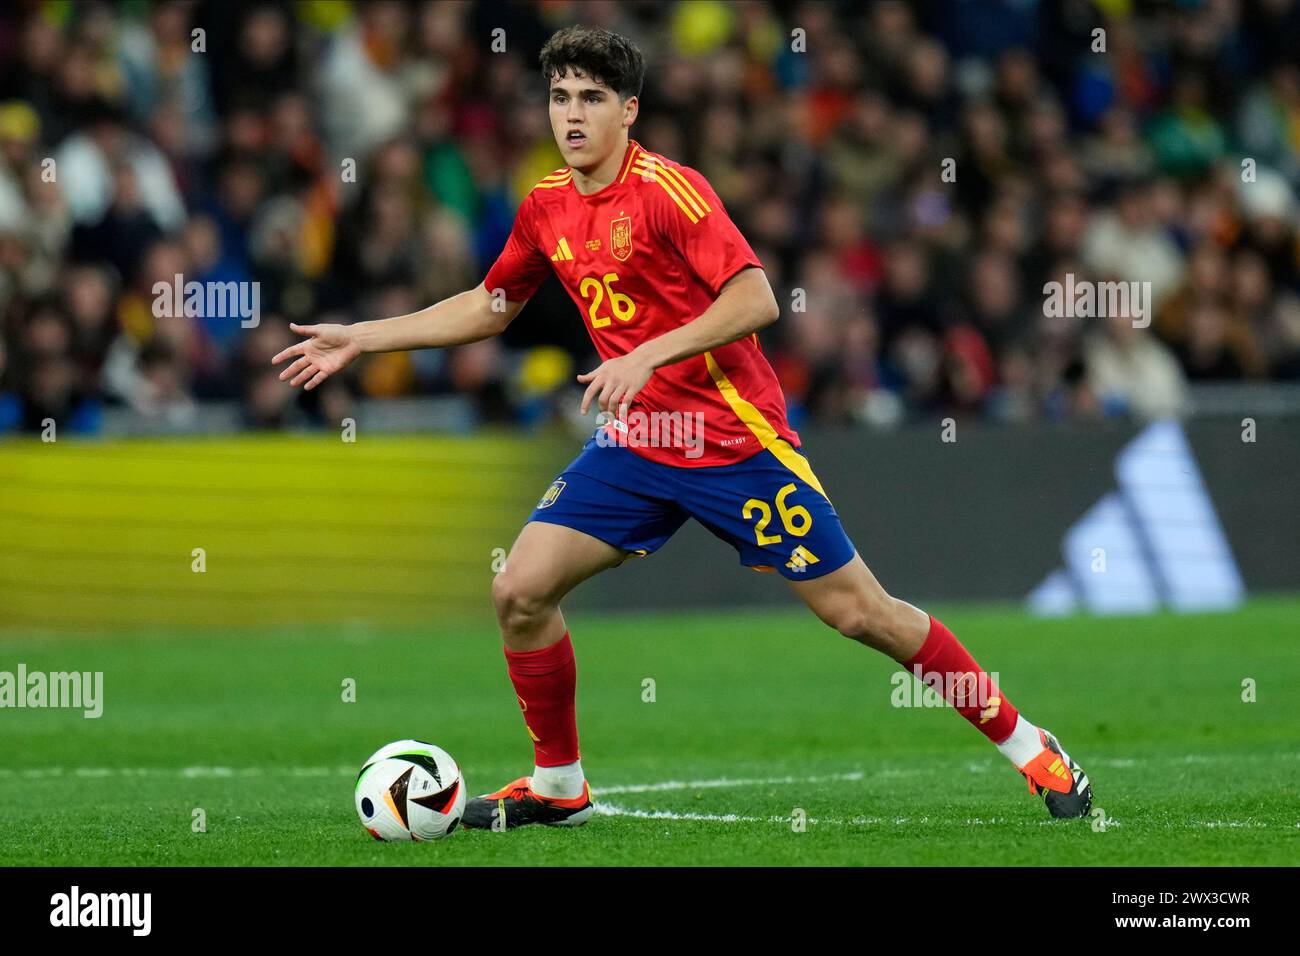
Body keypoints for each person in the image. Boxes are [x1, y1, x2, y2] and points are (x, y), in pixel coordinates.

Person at [273, 26, 1092, 829]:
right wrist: (363, 335)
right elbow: (492, 306)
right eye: (560, 97)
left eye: (592, 98)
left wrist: (647, 358)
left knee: (859, 614)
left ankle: (1029, 744)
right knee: (519, 592)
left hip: (733, 442)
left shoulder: (671, 191)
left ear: (629, 111)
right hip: (637, 444)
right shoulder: (545, 207)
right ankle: (558, 784)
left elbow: (756, 299)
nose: (572, 115)